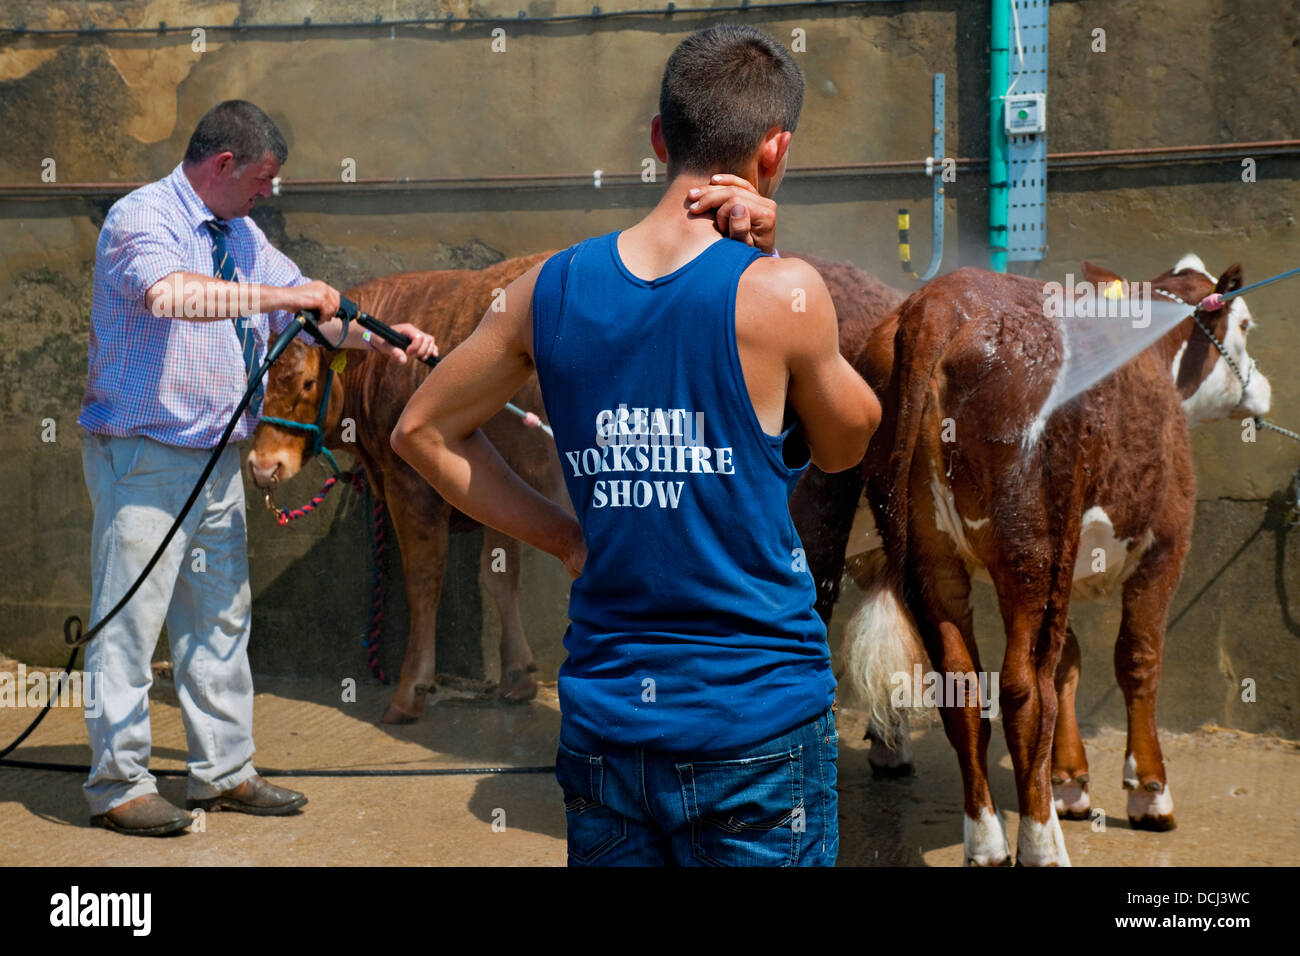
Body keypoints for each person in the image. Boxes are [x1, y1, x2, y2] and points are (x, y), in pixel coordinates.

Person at [391, 25, 879, 865]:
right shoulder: (782, 293)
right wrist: (776, 263)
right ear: (776, 150)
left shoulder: (544, 289)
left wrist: (563, 537)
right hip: (754, 726)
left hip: (607, 729)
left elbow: (419, 431)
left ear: (659, 139)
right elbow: (847, 441)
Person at [79, 99, 437, 836]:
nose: (269, 193)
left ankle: (224, 771)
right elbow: (171, 294)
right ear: (223, 166)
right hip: (145, 452)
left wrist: (382, 336)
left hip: (217, 456)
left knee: (221, 618)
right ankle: (118, 785)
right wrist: (286, 294)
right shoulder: (141, 220)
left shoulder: (240, 235)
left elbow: (310, 318)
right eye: (264, 178)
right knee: (130, 623)